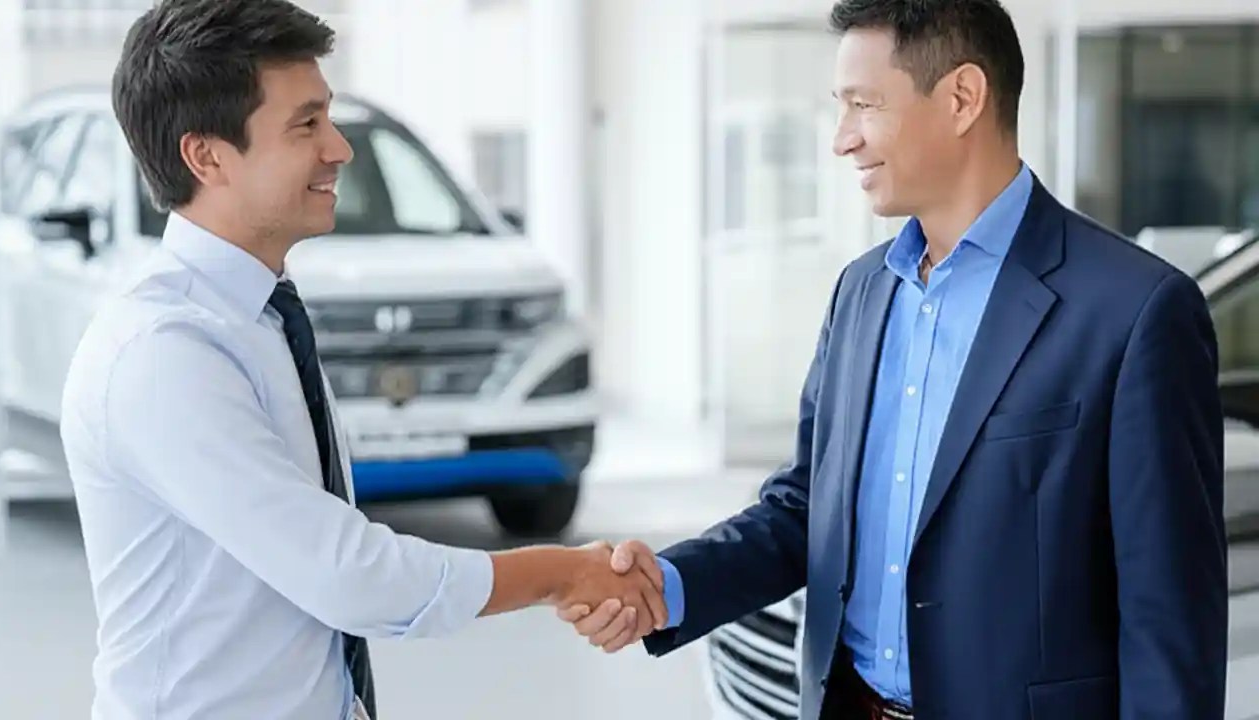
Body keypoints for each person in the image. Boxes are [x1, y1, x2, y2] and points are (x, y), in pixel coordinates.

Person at [564, 0, 1230, 718]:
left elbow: (1169, 620)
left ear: (962, 98)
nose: (842, 140)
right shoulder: (862, 291)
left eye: (863, 104)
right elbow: (804, 511)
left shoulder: (1134, 311)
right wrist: (666, 585)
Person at [60, 1, 665, 718]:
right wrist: (562, 573)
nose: (339, 149)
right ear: (207, 155)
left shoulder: (259, 315)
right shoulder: (164, 354)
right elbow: (348, 574)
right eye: (305, 125)